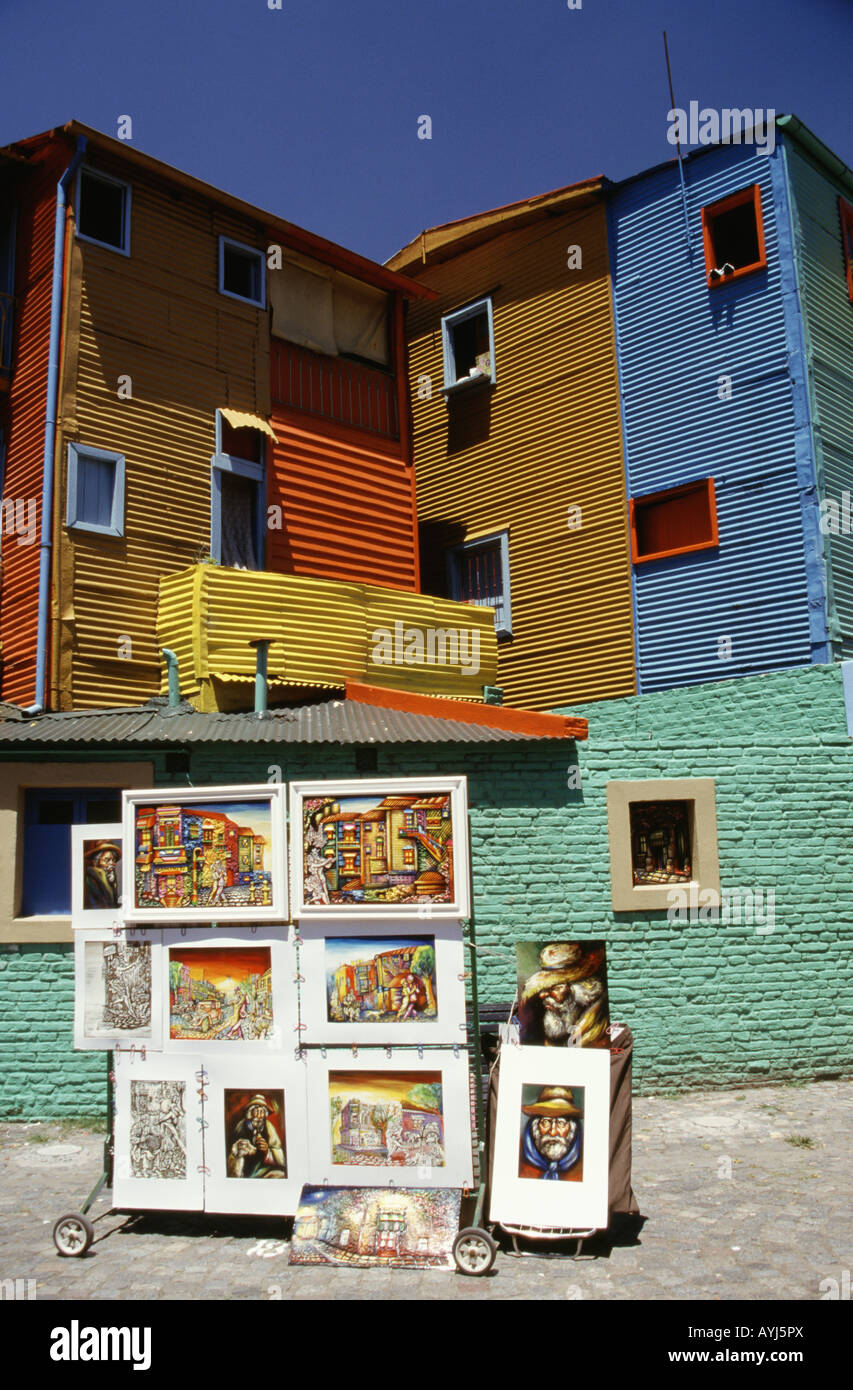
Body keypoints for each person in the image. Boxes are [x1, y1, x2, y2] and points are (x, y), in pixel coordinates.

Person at [518, 942, 607, 1047]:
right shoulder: (538, 1021)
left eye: (555, 988)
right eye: (543, 989)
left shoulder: (598, 1026)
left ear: (580, 988)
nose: (542, 995)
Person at [518, 1086, 583, 1181]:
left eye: (561, 1123)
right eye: (546, 1122)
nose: (552, 1132)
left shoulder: (584, 1167)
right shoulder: (519, 1164)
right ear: (535, 1127)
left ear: (572, 1129)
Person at [227, 1094, 286, 1178]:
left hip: (263, 1170)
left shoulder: (269, 1127)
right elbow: (232, 1153)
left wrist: (267, 1152)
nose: (259, 1116)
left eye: (261, 1112)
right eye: (256, 1111)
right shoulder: (241, 1126)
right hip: (245, 1170)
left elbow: (278, 1152)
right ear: (250, 1112)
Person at [83, 841, 121, 910]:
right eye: (107, 860)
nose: (112, 863)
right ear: (96, 862)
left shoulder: (110, 879)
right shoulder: (90, 880)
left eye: (113, 860)